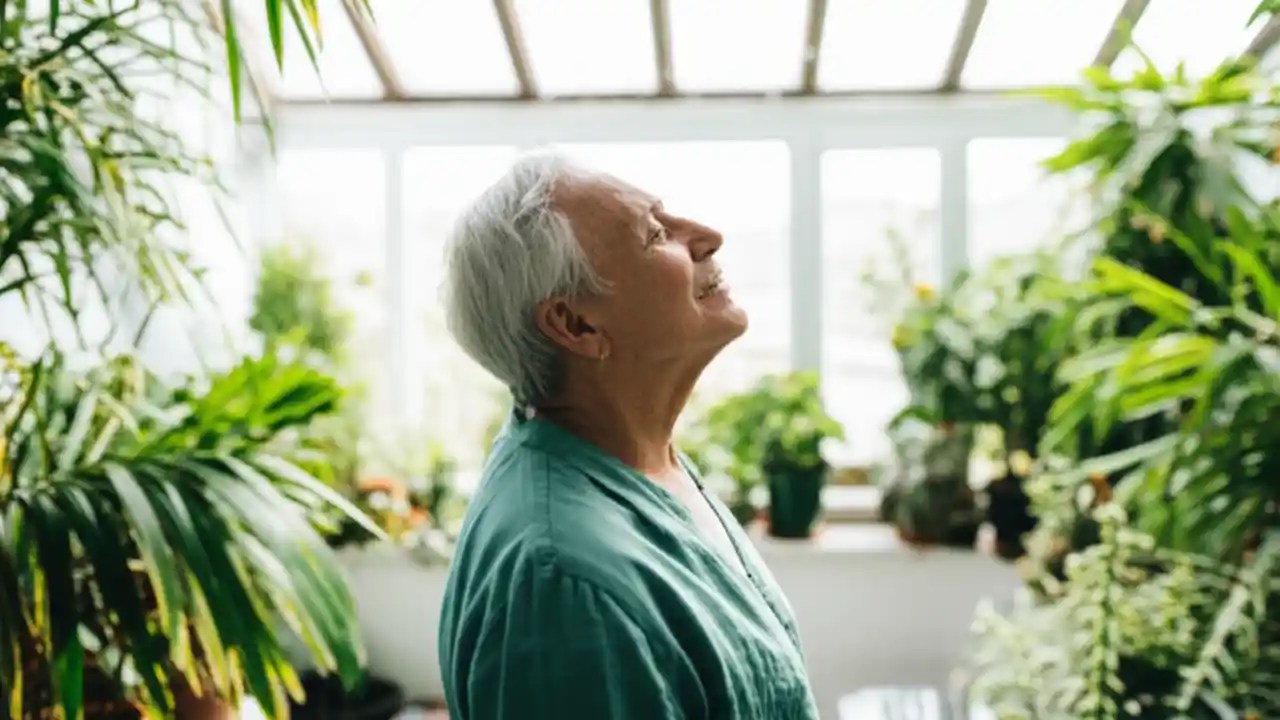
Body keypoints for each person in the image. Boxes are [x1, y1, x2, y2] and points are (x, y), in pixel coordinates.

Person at [437, 152, 818, 719]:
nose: (709, 237)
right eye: (656, 233)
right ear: (576, 324)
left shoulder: (632, 454)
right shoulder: (565, 588)